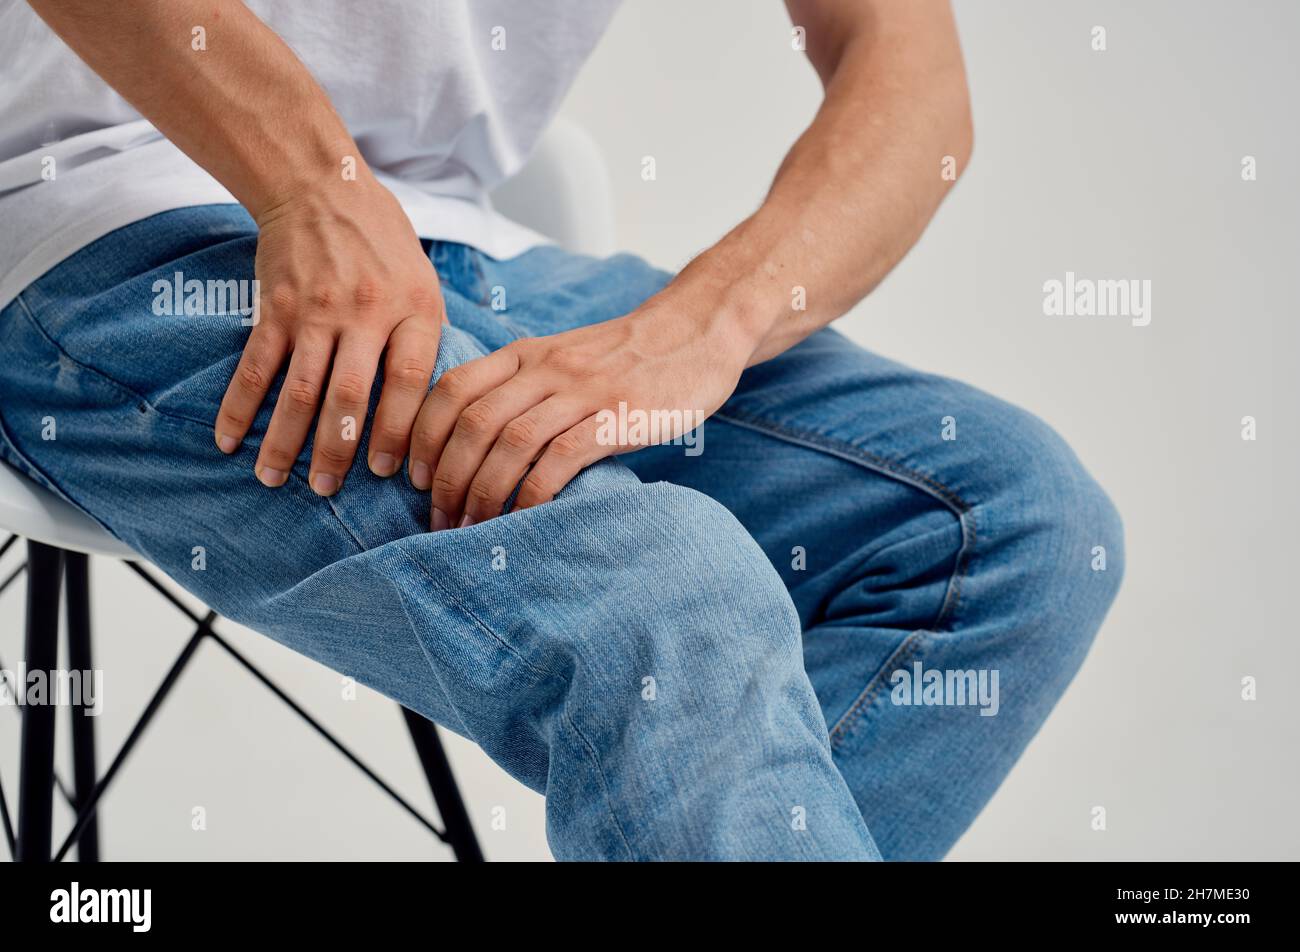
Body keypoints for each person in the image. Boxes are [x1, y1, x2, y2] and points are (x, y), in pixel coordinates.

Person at [0, 0, 1123, 860]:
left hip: (476, 248)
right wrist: (314, 187)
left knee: (1015, 519)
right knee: (666, 594)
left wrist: (704, 327)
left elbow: (911, 71)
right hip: (97, 218)